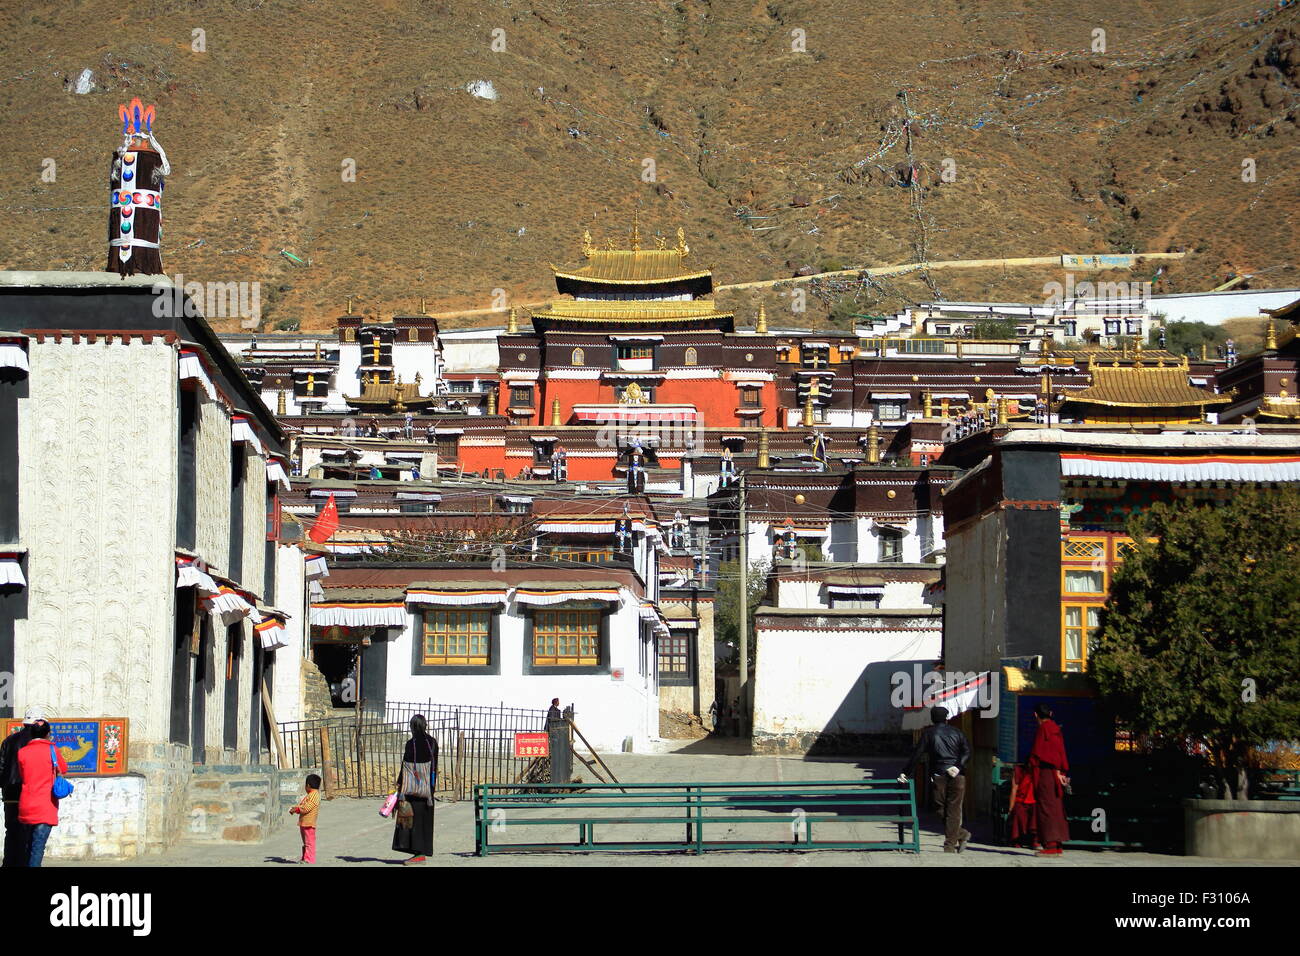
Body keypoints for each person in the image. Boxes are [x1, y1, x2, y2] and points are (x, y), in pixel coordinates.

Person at [898, 706, 972, 853]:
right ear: (947, 718)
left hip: (939, 776)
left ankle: (949, 845)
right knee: (952, 810)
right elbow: (967, 751)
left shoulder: (929, 734)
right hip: (957, 776)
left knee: (941, 808)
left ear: (932, 719)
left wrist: (905, 772)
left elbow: (917, 754)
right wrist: (958, 766)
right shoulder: (957, 732)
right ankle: (962, 834)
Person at [17, 719, 69, 867]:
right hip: (46, 806)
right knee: (37, 848)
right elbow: (63, 769)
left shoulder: (22, 752)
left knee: (27, 846)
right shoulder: (52, 750)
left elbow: (23, 775)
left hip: (27, 805)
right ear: (48, 734)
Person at [392, 715, 438, 865]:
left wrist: (399, 785)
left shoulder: (411, 744)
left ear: (412, 726)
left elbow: (405, 767)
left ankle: (418, 854)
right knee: (424, 822)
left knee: (411, 821)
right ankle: (421, 852)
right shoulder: (432, 742)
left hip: (411, 790)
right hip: (426, 790)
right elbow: (433, 766)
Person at [1027, 702, 1070, 856]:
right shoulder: (1056, 729)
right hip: (1056, 774)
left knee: (1047, 809)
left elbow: (1037, 754)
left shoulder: (1043, 729)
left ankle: (1051, 846)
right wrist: (1060, 771)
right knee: (1056, 808)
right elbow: (1059, 753)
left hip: (1046, 774)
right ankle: (1057, 845)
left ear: (1035, 715)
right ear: (1050, 714)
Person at [0, 708, 39, 867]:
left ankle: (8, 864)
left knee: (11, 830)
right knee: (27, 832)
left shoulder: (9, 741)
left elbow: (1, 767)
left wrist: (5, 785)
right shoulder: (37, 743)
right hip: (28, 793)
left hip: (10, 794)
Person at [289, 773, 322, 863]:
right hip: (304, 822)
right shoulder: (311, 795)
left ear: (308, 785)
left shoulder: (314, 795)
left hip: (309, 823)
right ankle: (305, 857)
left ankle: (309, 859)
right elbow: (303, 806)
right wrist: (295, 809)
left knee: (309, 842)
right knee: (306, 842)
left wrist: (297, 809)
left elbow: (307, 808)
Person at [1008, 763, 1039, 849]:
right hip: (1020, 800)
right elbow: (1014, 789)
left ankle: (1035, 840)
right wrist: (1011, 808)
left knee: (1037, 813)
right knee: (1018, 812)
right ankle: (1017, 840)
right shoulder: (1018, 770)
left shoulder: (1038, 771)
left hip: (1035, 801)